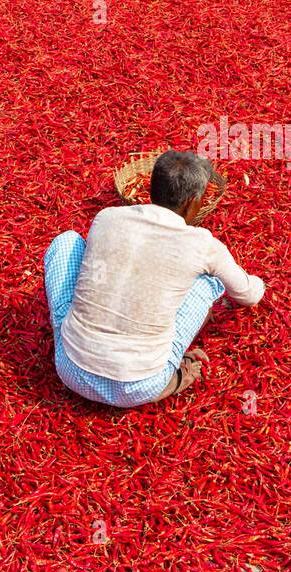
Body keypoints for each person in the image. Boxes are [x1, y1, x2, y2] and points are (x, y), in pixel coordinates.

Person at [43, 151, 265, 408]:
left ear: (150, 189)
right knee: (210, 281)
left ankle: (81, 337)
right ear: (193, 203)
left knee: (67, 241)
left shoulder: (107, 217)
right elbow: (250, 295)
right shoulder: (203, 244)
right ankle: (172, 378)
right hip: (142, 384)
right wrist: (261, 282)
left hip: (72, 371)